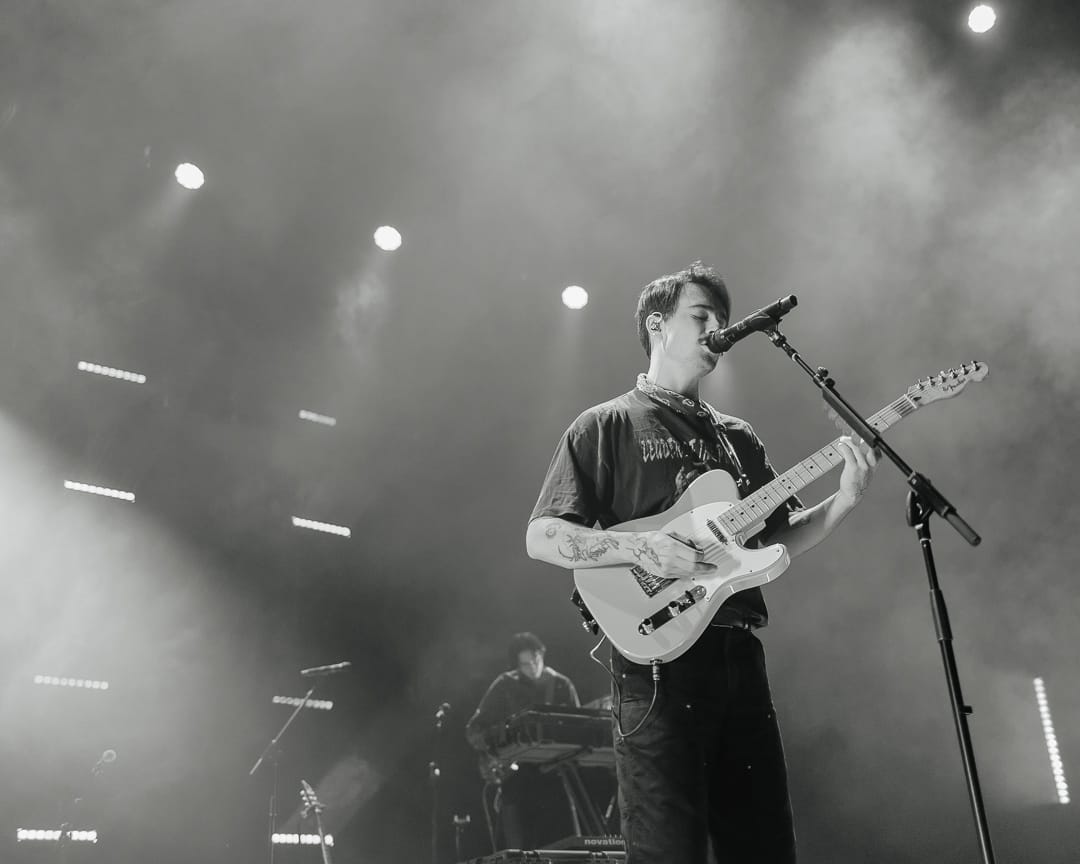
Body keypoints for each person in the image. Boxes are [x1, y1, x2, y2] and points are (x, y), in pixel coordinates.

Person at [525, 262, 877, 864]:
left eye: (721, 316)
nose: (719, 326)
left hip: (738, 657)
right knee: (669, 851)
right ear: (656, 325)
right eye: (702, 315)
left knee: (763, 845)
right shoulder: (606, 424)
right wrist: (642, 547)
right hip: (657, 666)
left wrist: (843, 499)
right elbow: (544, 536)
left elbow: (779, 542)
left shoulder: (738, 438)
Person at [465, 632, 580, 849]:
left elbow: (580, 730)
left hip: (555, 776)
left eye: (535, 660)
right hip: (516, 780)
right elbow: (474, 729)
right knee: (520, 849)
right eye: (525, 664)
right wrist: (497, 748)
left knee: (565, 848)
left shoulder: (561, 685)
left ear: (542, 655)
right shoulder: (505, 685)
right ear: (516, 665)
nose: (532, 667)